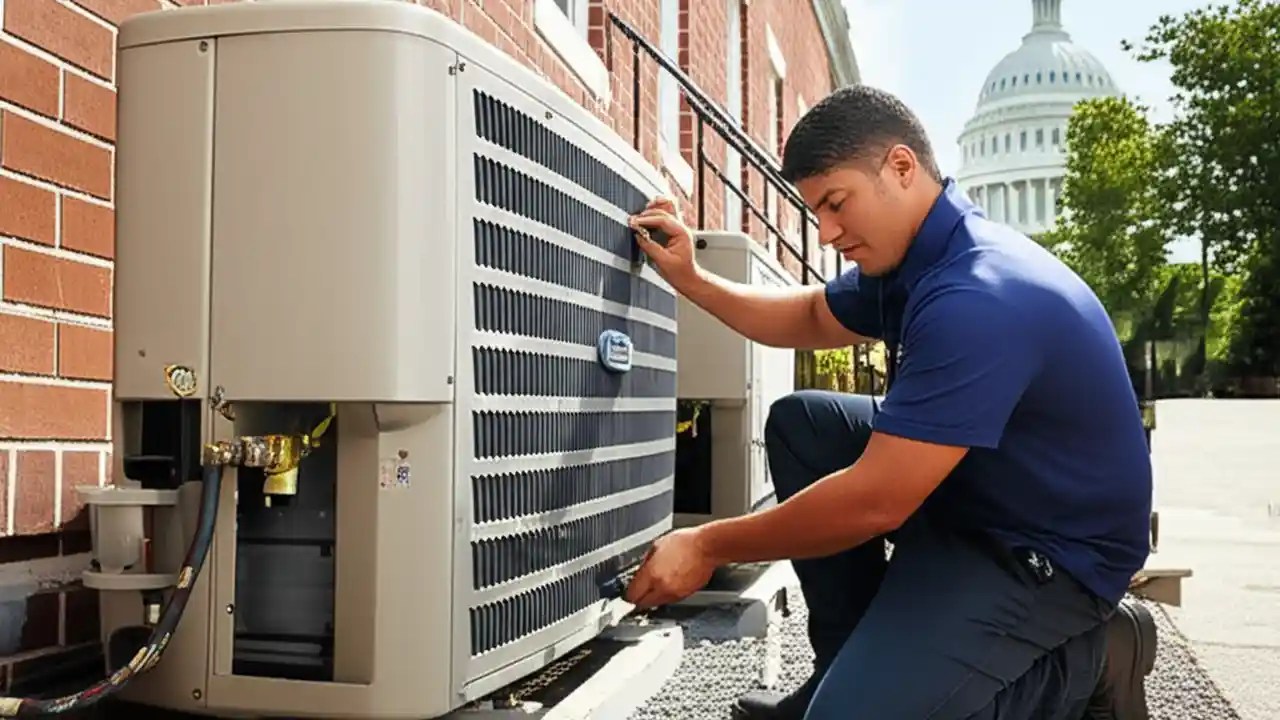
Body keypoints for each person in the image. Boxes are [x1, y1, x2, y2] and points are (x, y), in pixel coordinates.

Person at [623, 85, 1153, 719]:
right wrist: (691, 280)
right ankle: (842, 666)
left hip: (1047, 551)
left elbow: (877, 499)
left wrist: (708, 544)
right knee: (804, 425)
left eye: (836, 203)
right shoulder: (918, 258)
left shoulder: (978, 296)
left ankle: (1096, 660)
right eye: (815, 210)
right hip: (977, 488)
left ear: (901, 168)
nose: (826, 231)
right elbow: (816, 314)